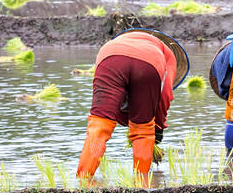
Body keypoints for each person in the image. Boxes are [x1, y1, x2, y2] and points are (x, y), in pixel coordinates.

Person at [76, 27, 189, 181]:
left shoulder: (118, 41)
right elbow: (165, 96)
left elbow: (113, 102)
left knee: (99, 126)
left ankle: (83, 179)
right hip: (149, 62)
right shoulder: (167, 55)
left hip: (109, 56)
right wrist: (159, 126)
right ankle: (141, 184)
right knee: (143, 130)